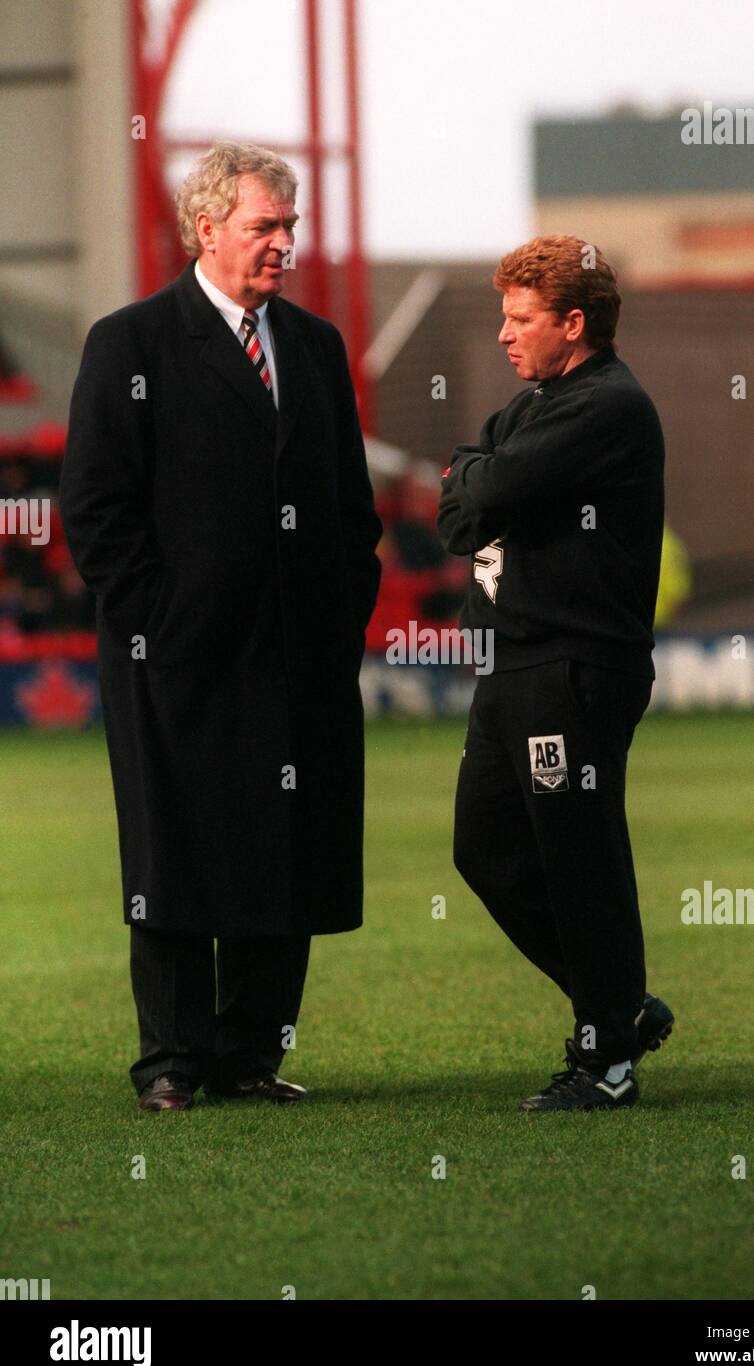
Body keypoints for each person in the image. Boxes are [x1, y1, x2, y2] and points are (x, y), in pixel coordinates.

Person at [60, 141, 382, 1112]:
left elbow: (351, 509)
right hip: (177, 662)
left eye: (289, 227)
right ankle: (171, 1061)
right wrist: (160, 620)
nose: (283, 243)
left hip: (297, 661)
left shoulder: (316, 347)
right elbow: (96, 509)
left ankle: (249, 1053)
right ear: (207, 231)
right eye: (264, 228)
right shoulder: (131, 345)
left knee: (285, 851)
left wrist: (341, 616)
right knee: (175, 857)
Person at [437, 235, 673, 1112]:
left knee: (578, 857)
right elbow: (469, 487)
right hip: (514, 666)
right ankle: (621, 1006)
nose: (505, 334)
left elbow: (475, 495)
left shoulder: (605, 406)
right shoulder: (538, 404)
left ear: (574, 325)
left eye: (521, 318)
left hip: (569, 669)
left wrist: (472, 478)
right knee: (484, 849)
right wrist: (474, 477)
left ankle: (605, 1057)